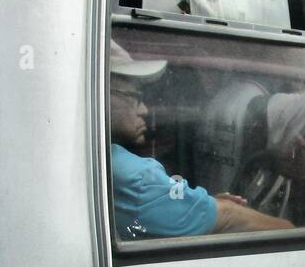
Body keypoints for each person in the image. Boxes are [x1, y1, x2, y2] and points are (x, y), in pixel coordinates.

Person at [108, 41, 294, 237]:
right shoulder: (135, 177)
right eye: (134, 96)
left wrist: (195, 206)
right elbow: (230, 217)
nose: (144, 110)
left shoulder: (102, 162)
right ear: (103, 92)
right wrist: (290, 229)